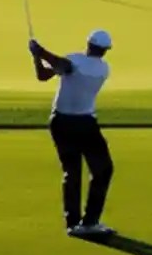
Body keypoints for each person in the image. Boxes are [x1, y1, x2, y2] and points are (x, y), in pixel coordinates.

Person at [30, 29, 116, 238]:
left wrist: (38, 53)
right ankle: (88, 223)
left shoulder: (82, 63)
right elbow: (56, 69)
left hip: (62, 122)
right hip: (83, 123)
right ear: (105, 50)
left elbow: (55, 70)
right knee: (102, 169)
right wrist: (38, 55)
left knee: (73, 172)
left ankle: (76, 223)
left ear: (88, 44)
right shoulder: (102, 67)